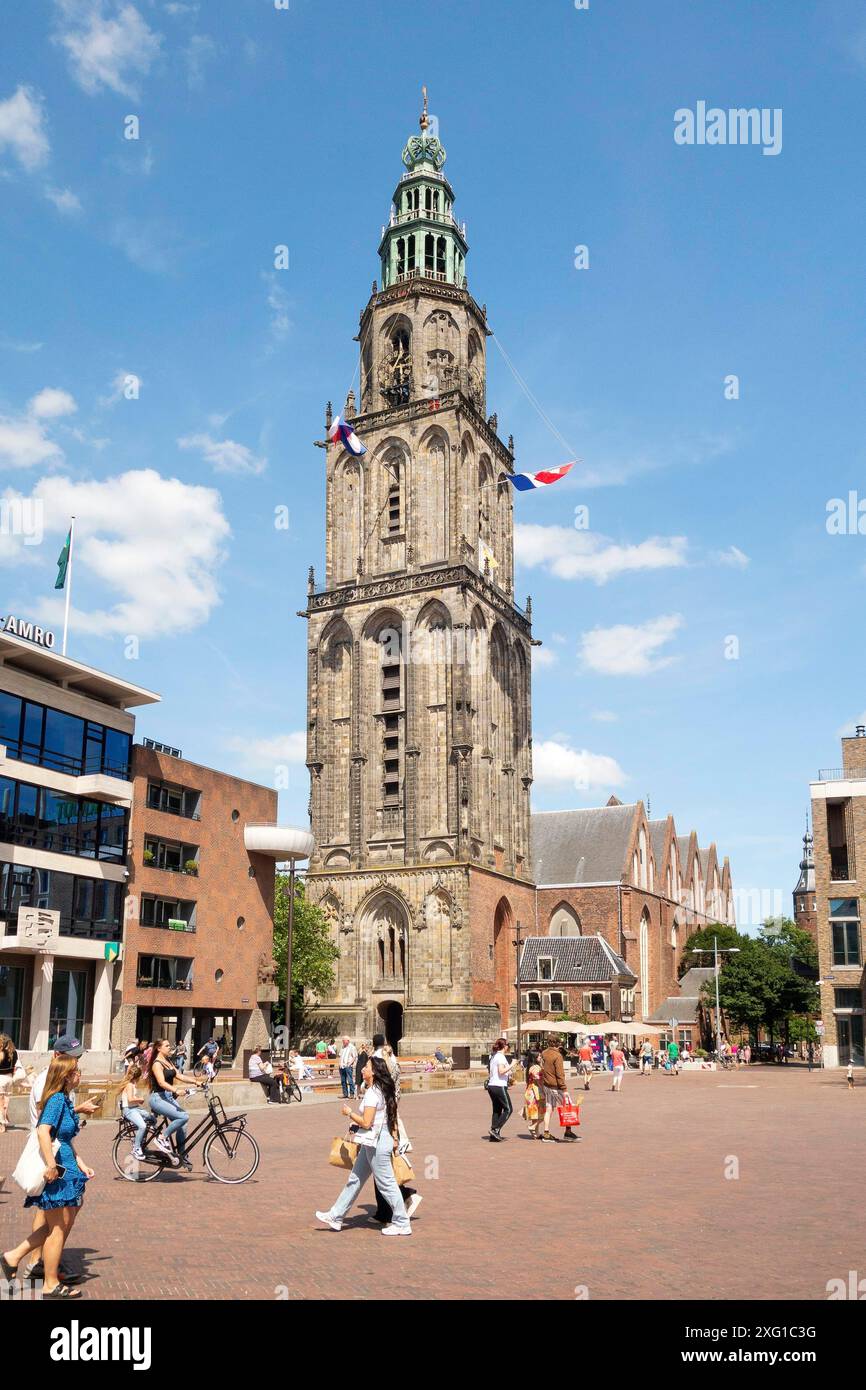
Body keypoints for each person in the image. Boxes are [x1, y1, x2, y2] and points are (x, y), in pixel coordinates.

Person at [2, 1056, 94, 1299]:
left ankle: (13, 1257)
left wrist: (81, 1163)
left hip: (68, 1167)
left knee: (59, 1224)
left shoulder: (63, 1099)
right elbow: (44, 1132)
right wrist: (52, 1165)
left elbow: (63, 1138)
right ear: (65, 1076)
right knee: (58, 1227)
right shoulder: (55, 1099)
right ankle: (50, 1282)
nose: (79, 1075)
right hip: (59, 1170)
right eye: (76, 1071)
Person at [21, 1034, 97, 1286]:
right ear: (59, 1059)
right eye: (74, 1062)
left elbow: (55, 1117)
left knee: (56, 1214)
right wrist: (52, 1164)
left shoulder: (59, 1089)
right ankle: (38, 1264)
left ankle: (38, 1261)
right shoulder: (50, 1085)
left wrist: (76, 1111)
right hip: (51, 1153)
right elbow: (46, 1124)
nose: (78, 1067)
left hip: (58, 1152)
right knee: (55, 1217)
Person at [315, 1057, 411, 1235]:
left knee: (386, 1183)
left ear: (373, 1072)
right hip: (373, 1141)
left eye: (366, 1067)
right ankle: (336, 1216)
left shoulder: (373, 1093)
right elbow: (386, 1117)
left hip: (377, 1142)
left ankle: (402, 1221)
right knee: (355, 1179)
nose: (362, 1069)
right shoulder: (379, 1090)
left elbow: (367, 1122)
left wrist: (350, 1113)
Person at [145, 1039, 199, 1171]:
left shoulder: (168, 1061)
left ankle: (181, 1155)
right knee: (183, 1117)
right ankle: (162, 1138)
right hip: (158, 1098)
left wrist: (196, 1081)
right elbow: (162, 1083)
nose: (170, 1048)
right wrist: (176, 1090)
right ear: (158, 1048)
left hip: (167, 1097)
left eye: (170, 1045)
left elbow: (179, 1075)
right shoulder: (157, 1064)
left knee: (183, 1124)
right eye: (167, 1046)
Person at [540, 1036, 577, 1143]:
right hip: (556, 1086)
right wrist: (564, 1089)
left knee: (549, 1108)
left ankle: (546, 1133)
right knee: (568, 1106)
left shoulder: (544, 1053)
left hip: (546, 1085)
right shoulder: (557, 1056)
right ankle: (568, 1132)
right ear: (557, 1044)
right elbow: (560, 1074)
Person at [120, 1064, 151, 1160]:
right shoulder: (129, 1085)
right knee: (142, 1126)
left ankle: (139, 1139)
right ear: (138, 1077)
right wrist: (140, 1099)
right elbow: (130, 1099)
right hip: (129, 1110)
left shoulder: (133, 1084)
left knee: (151, 1119)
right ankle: (136, 1148)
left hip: (135, 1108)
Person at [487, 1037, 514, 1141]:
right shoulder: (501, 1057)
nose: (508, 1047)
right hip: (499, 1086)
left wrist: (509, 1073)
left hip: (492, 1085)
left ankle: (494, 1134)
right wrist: (512, 1064)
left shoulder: (494, 1056)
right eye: (508, 1045)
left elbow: (497, 1071)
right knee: (508, 1109)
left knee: (497, 1110)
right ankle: (495, 1129)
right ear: (505, 1046)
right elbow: (501, 1071)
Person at [0, 1033, 22, 1132]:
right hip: (9, 1079)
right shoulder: (14, 1052)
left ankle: (2, 1125)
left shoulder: (1, 1052)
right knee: (5, 1103)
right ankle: (5, 1120)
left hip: (1, 1079)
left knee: (0, 1103)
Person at [523, 1064, 545, 1139]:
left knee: (535, 1115)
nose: (540, 1057)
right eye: (538, 1056)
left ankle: (536, 1134)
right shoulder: (535, 1067)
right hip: (535, 1092)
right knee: (543, 1114)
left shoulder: (532, 1067)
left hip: (532, 1091)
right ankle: (533, 1127)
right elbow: (537, 1077)